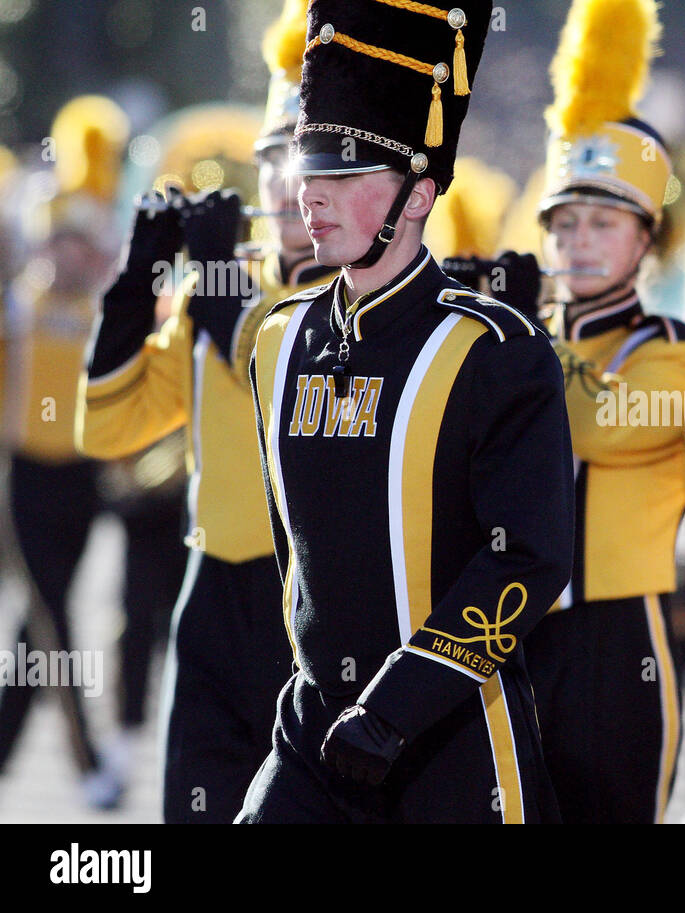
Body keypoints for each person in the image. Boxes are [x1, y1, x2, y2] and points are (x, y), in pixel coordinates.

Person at [237, 0, 573, 824]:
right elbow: (297, 555)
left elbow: (529, 559)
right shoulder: (278, 340)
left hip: (452, 739)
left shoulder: (497, 349)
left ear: (418, 195)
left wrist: (395, 704)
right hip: (313, 732)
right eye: (309, 171)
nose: (312, 195)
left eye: (346, 174)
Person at [76, 0, 336, 823]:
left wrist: (220, 279)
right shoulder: (219, 290)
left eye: (310, 161)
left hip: (318, 612)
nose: (288, 185)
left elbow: (282, 381)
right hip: (212, 596)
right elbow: (107, 427)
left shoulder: (365, 303)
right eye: (274, 162)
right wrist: (135, 284)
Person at [486, 0, 685, 825]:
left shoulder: (678, 347)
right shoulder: (509, 336)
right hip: (509, 626)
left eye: (606, 222)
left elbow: (600, 421)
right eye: (566, 222)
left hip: (624, 643)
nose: (581, 240)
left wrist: (513, 352)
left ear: (647, 239)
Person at [0, 96, 126, 809]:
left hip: (83, 482)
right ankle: (90, 763)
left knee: (35, 629)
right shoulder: (16, 304)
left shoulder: (102, 311)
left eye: (86, 240)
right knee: (55, 619)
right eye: (64, 239)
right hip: (26, 482)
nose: (74, 251)